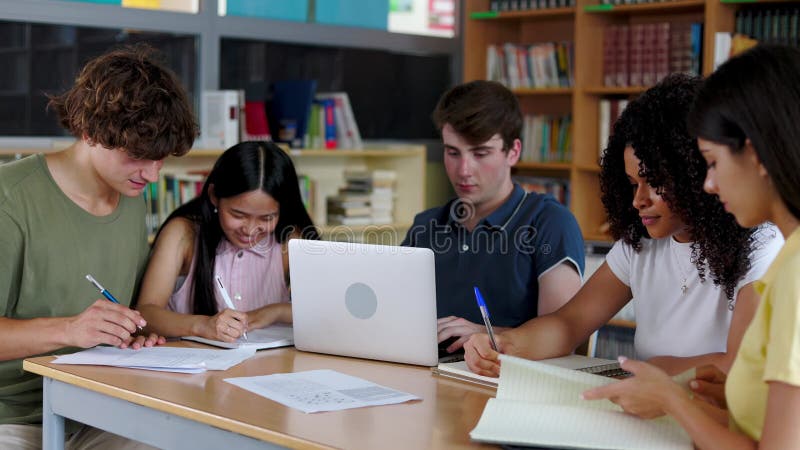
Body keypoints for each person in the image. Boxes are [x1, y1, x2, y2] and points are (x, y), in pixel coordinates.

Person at [464, 73, 782, 377]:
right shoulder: (640, 243)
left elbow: (740, 365)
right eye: (632, 184)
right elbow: (568, 323)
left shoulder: (761, 247)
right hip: (645, 410)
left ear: (696, 175)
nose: (638, 200)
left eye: (654, 183)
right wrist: (506, 345)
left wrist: (649, 370)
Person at [583, 44, 800, 449]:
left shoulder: (790, 273)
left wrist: (672, 398)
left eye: (714, 163)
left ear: (755, 156)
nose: (709, 185)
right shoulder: (789, 261)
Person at [0, 46, 197, 449]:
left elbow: (122, 313)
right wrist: (71, 329)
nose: (153, 175)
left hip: (99, 403)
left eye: (161, 160)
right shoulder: (10, 198)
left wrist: (129, 335)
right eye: (140, 156)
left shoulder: (130, 195)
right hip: (15, 416)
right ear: (91, 131)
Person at [402, 80, 585, 355]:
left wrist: (486, 334)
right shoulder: (426, 225)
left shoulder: (549, 222)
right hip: (428, 377)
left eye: (480, 153)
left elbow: (564, 337)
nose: (463, 169)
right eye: (453, 152)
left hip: (506, 384)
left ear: (513, 152)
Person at [136, 141, 318, 341]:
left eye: (266, 218)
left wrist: (274, 312)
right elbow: (145, 314)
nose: (249, 230)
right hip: (194, 367)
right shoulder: (183, 234)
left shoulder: (289, 242)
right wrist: (202, 325)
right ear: (214, 196)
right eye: (238, 214)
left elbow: (326, 311)